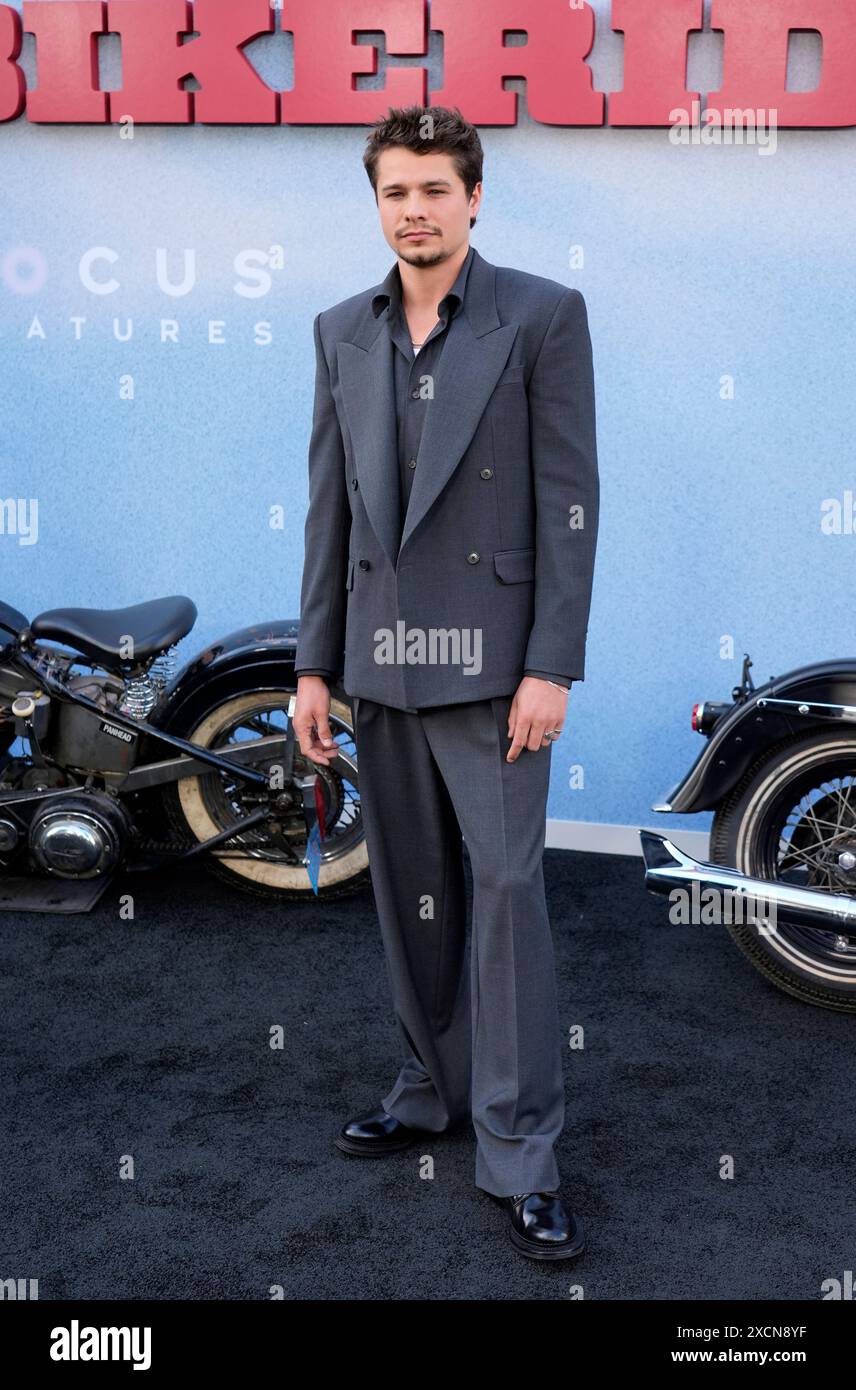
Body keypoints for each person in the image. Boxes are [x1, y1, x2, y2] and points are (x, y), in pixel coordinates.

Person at [293, 104, 599, 1260]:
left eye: (433, 189)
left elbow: (571, 504)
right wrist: (314, 666)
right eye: (393, 192)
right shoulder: (339, 329)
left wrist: (549, 666)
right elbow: (331, 514)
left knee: (509, 898)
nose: (413, 209)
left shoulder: (541, 316)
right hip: (379, 664)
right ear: (376, 204)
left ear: (475, 197)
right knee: (410, 893)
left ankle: (520, 1149)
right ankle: (432, 1088)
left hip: (495, 673)